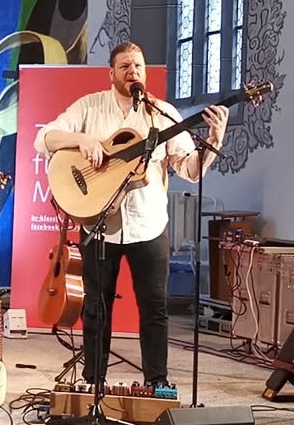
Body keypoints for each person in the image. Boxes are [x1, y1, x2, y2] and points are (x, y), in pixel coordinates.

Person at [34, 42, 226, 390]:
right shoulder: (90, 106)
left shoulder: (162, 114)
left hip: (148, 226)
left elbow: (191, 170)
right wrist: (82, 140)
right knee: (96, 307)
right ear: (111, 73)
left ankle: (157, 382)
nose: (132, 71)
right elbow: (43, 138)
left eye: (138, 65)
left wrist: (215, 139)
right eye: (124, 66)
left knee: (154, 308)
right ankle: (93, 382)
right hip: (99, 225)